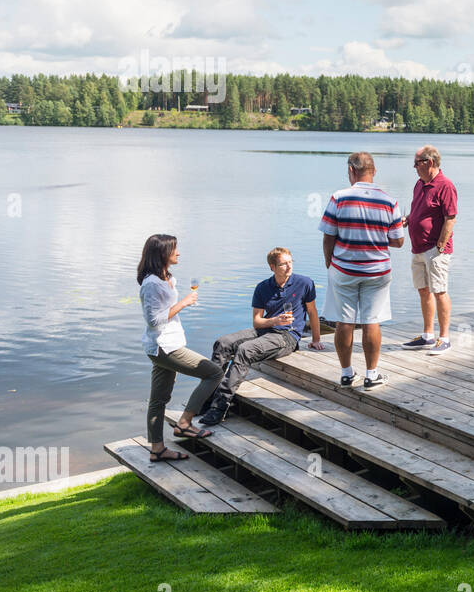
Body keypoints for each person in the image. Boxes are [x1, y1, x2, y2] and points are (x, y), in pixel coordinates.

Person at [197, 247, 327, 426]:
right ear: (273, 267)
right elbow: (257, 322)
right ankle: (206, 398)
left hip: (287, 336)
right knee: (222, 343)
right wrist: (274, 320)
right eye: (283, 264)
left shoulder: (304, 283)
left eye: (291, 262)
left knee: (245, 350)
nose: (289, 267)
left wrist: (316, 339)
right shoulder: (262, 288)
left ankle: (220, 406)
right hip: (266, 329)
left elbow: (312, 312)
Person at [319, 152, 405, 389]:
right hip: (377, 271)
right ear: (374, 171)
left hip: (344, 269)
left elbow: (328, 237)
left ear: (351, 171)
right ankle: (371, 374)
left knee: (344, 321)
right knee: (371, 320)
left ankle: (347, 374)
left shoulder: (339, 198)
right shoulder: (389, 201)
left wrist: (330, 264)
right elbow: (398, 242)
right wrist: (379, 233)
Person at [136, 234, 222, 461]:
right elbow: (154, 321)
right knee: (214, 373)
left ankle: (157, 449)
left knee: (158, 399)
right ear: (162, 253)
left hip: (167, 344)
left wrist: (179, 302)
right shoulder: (152, 284)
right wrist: (183, 302)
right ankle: (184, 423)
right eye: (174, 249)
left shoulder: (166, 278)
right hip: (165, 346)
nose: (178, 253)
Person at [402, 144, 458, 354]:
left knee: (439, 291)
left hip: (435, 250)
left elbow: (450, 218)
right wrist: (408, 219)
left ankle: (444, 338)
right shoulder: (419, 184)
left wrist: (441, 246)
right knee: (423, 291)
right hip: (417, 248)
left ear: (430, 163)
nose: (414, 167)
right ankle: (427, 335)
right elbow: (419, 210)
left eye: (417, 163)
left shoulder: (445, 185)